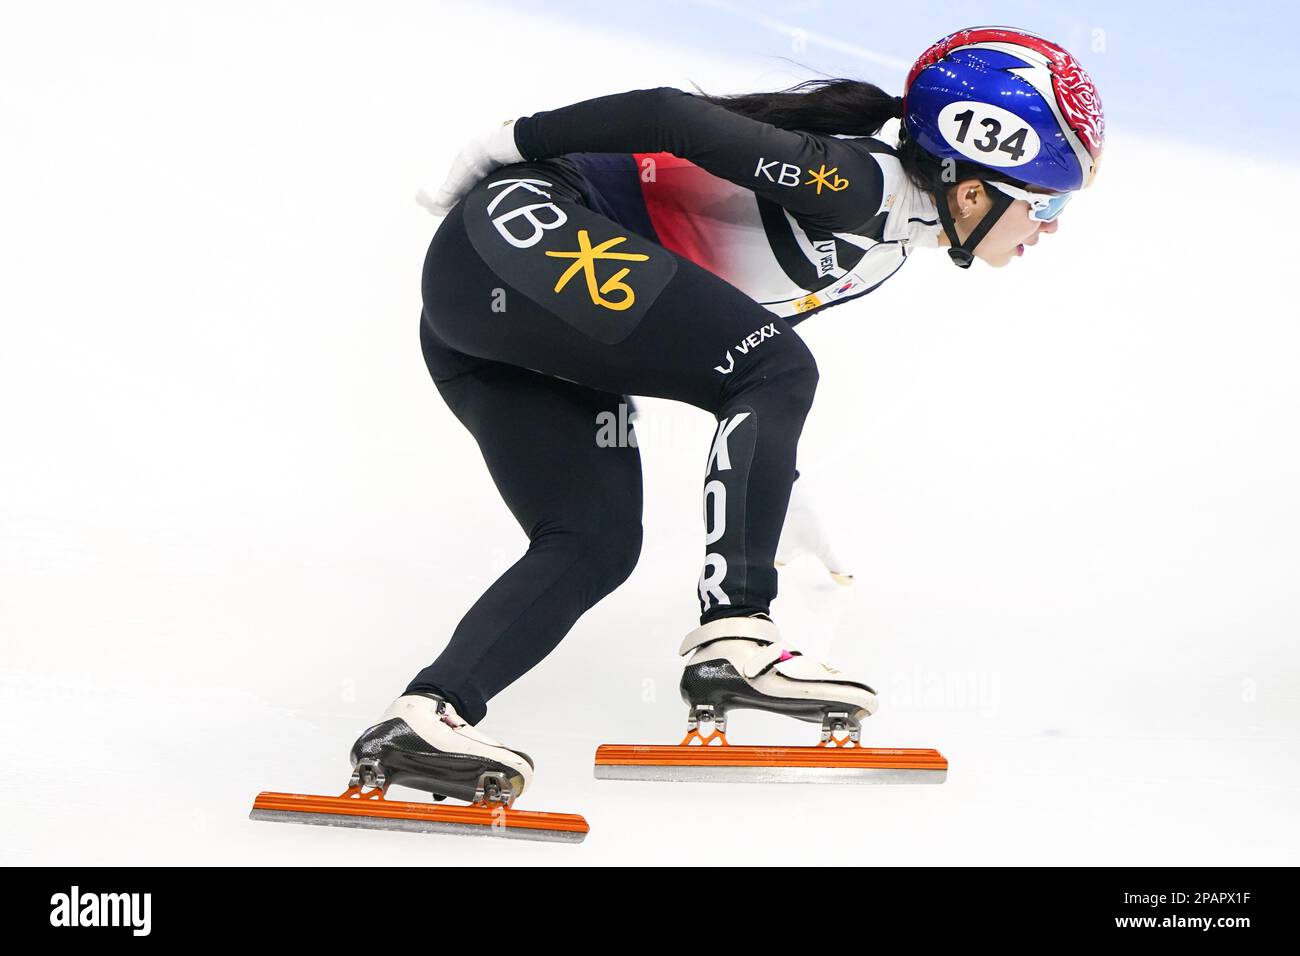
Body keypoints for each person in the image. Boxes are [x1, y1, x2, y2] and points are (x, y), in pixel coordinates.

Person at [347, 26, 1105, 806]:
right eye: (1047, 202)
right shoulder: (857, 184)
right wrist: (504, 143)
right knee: (779, 367)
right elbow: (673, 116)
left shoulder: (890, 244)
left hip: (496, 326)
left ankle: (425, 714)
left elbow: (729, 356)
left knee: (595, 542)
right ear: (973, 190)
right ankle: (736, 635)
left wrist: (775, 480)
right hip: (514, 232)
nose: (1048, 227)